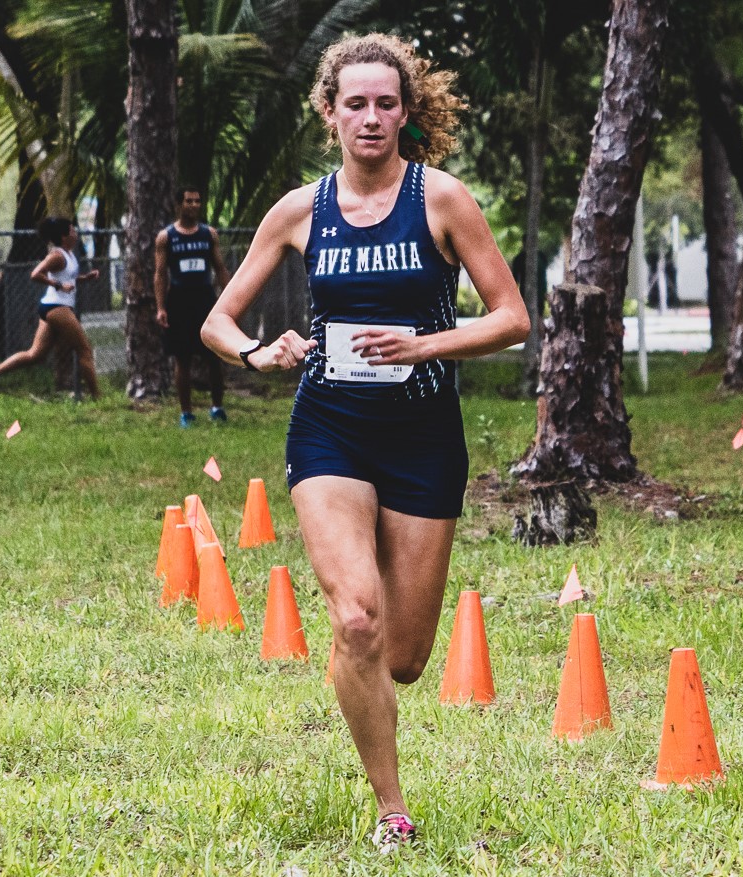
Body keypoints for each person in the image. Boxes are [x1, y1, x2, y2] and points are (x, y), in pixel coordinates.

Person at [200, 33, 528, 854]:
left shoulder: (443, 200)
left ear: (406, 111)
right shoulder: (300, 210)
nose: (371, 118)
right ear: (330, 113)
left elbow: (513, 318)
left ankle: (367, 677)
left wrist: (425, 344)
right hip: (330, 429)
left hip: (423, 437)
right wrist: (258, 353)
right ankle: (392, 810)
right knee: (355, 619)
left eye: (386, 103)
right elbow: (217, 321)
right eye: (356, 104)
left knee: (406, 656)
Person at [0, 218, 102, 400]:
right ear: (63, 236)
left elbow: (68, 279)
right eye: (72, 231)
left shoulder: (68, 254)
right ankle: (97, 398)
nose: (76, 234)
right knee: (84, 350)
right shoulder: (57, 256)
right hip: (56, 307)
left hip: (52, 307)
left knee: (35, 354)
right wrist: (57, 285)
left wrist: (85, 278)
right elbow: (36, 274)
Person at [155, 188, 234, 426]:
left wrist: (229, 300)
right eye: (188, 201)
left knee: (214, 357)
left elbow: (220, 268)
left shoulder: (208, 234)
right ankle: (186, 413)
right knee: (183, 359)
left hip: (205, 300)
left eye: (197, 201)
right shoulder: (166, 237)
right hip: (179, 301)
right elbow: (160, 275)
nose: (193, 205)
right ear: (179, 204)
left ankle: (217, 408)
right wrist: (161, 307)